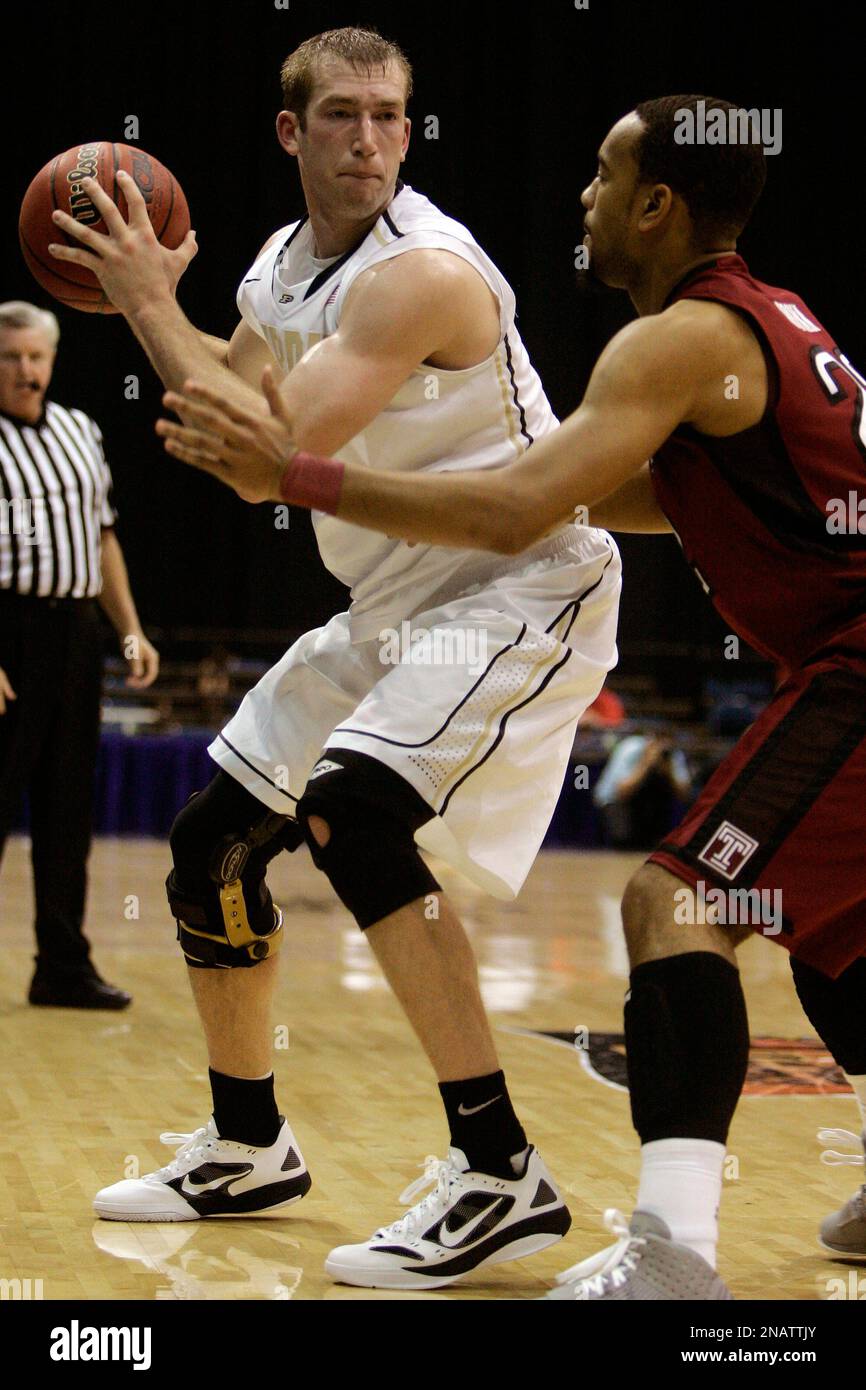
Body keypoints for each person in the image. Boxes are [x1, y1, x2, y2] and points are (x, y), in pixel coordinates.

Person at [160, 93, 866, 1298]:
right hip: (835, 658)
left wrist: (303, 474)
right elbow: (640, 493)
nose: (579, 197)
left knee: (675, 902)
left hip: (854, 665)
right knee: (828, 943)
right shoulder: (772, 317)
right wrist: (545, 480)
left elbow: (507, 512)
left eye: (602, 174)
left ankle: (671, 1252)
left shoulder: (674, 338)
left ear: (655, 203)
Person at [48, 27, 622, 1288]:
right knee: (210, 848)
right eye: (343, 116)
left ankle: (498, 1170)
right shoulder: (282, 263)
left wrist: (146, 301)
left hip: (515, 581)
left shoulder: (420, 274)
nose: (368, 140)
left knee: (351, 815)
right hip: (386, 603)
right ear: (289, 132)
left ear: (408, 132)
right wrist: (169, 321)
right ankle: (248, 1145)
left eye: (389, 117)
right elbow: (227, 405)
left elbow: (266, 447)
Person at [0, 300, 159, 1008]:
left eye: (36, 357)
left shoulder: (80, 430)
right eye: (11, 358)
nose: (26, 371)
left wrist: (128, 628)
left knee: (68, 811)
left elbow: (104, 538)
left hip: (75, 636)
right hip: (9, 631)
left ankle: (61, 966)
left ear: (53, 360)